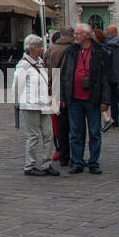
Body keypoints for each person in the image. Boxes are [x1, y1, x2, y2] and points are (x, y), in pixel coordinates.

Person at [58, 23, 111, 174]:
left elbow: (106, 77)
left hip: (93, 98)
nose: (75, 36)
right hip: (74, 98)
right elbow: (64, 75)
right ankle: (77, 161)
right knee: (75, 132)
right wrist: (62, 96)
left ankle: (93, 162)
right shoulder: (71, 52)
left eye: (78, 33)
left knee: (94, 132)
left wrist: (105, 100)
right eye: (75, 33)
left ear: (88, 35)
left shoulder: (100, 52)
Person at [15, 34, 57, 176]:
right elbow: (16, 86)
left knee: (48, 134)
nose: (41, 49)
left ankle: (47, 163)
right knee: (33, 135)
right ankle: (29, 165)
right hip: (30, 104)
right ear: (31, 48)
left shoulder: (40, 62)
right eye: (39, 46)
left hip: (43, 104)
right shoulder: (23, 65)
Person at [44, 27, 75, 166]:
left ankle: (62, 152)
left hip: (53, 87)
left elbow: (44, 68)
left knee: (59, 123)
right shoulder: (73, 49)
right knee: (73, 123)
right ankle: (73, 154)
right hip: (70, 88)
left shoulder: (51, 49)